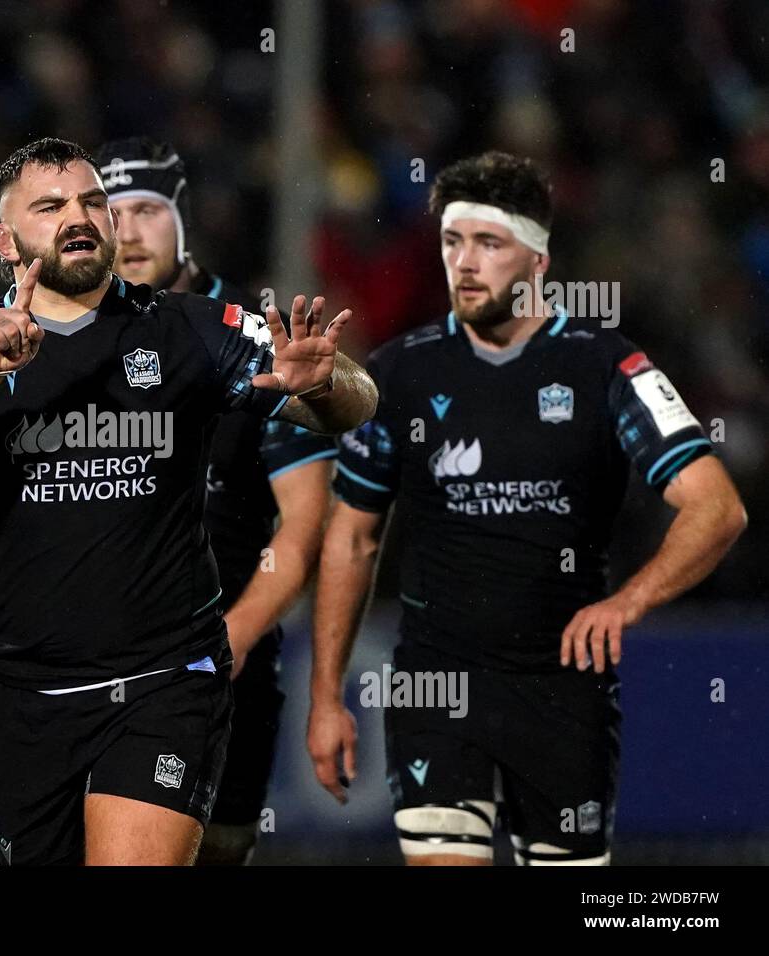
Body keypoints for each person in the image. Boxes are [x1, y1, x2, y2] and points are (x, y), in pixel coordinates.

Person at [0, 137, 377, 865]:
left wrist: (323, 383)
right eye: (50, 207)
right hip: (25, 697)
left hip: (163, 683)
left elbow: (358, 402)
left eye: (91, 203)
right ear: (3, 239)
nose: (79, 217)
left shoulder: (192, 326)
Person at [309, 151, 746, 865]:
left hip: (561, 693)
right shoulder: (398, 373)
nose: (466, 263)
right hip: (434, 689)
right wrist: (326, 696)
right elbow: (351, 539)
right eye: (453, 242)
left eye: (490, 243)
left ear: (538, 259)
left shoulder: (607, 366)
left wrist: (628, 602)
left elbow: (716, 507)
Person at [96, 137, 336, 865]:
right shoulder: (74, 337)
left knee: (220, 850)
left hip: (228, 671)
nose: (129, 233)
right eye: (111, 216)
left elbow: (303, 527)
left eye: (147, 211)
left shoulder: (254, 337)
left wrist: (227, 642)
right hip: (100, 667)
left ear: (183, 221)